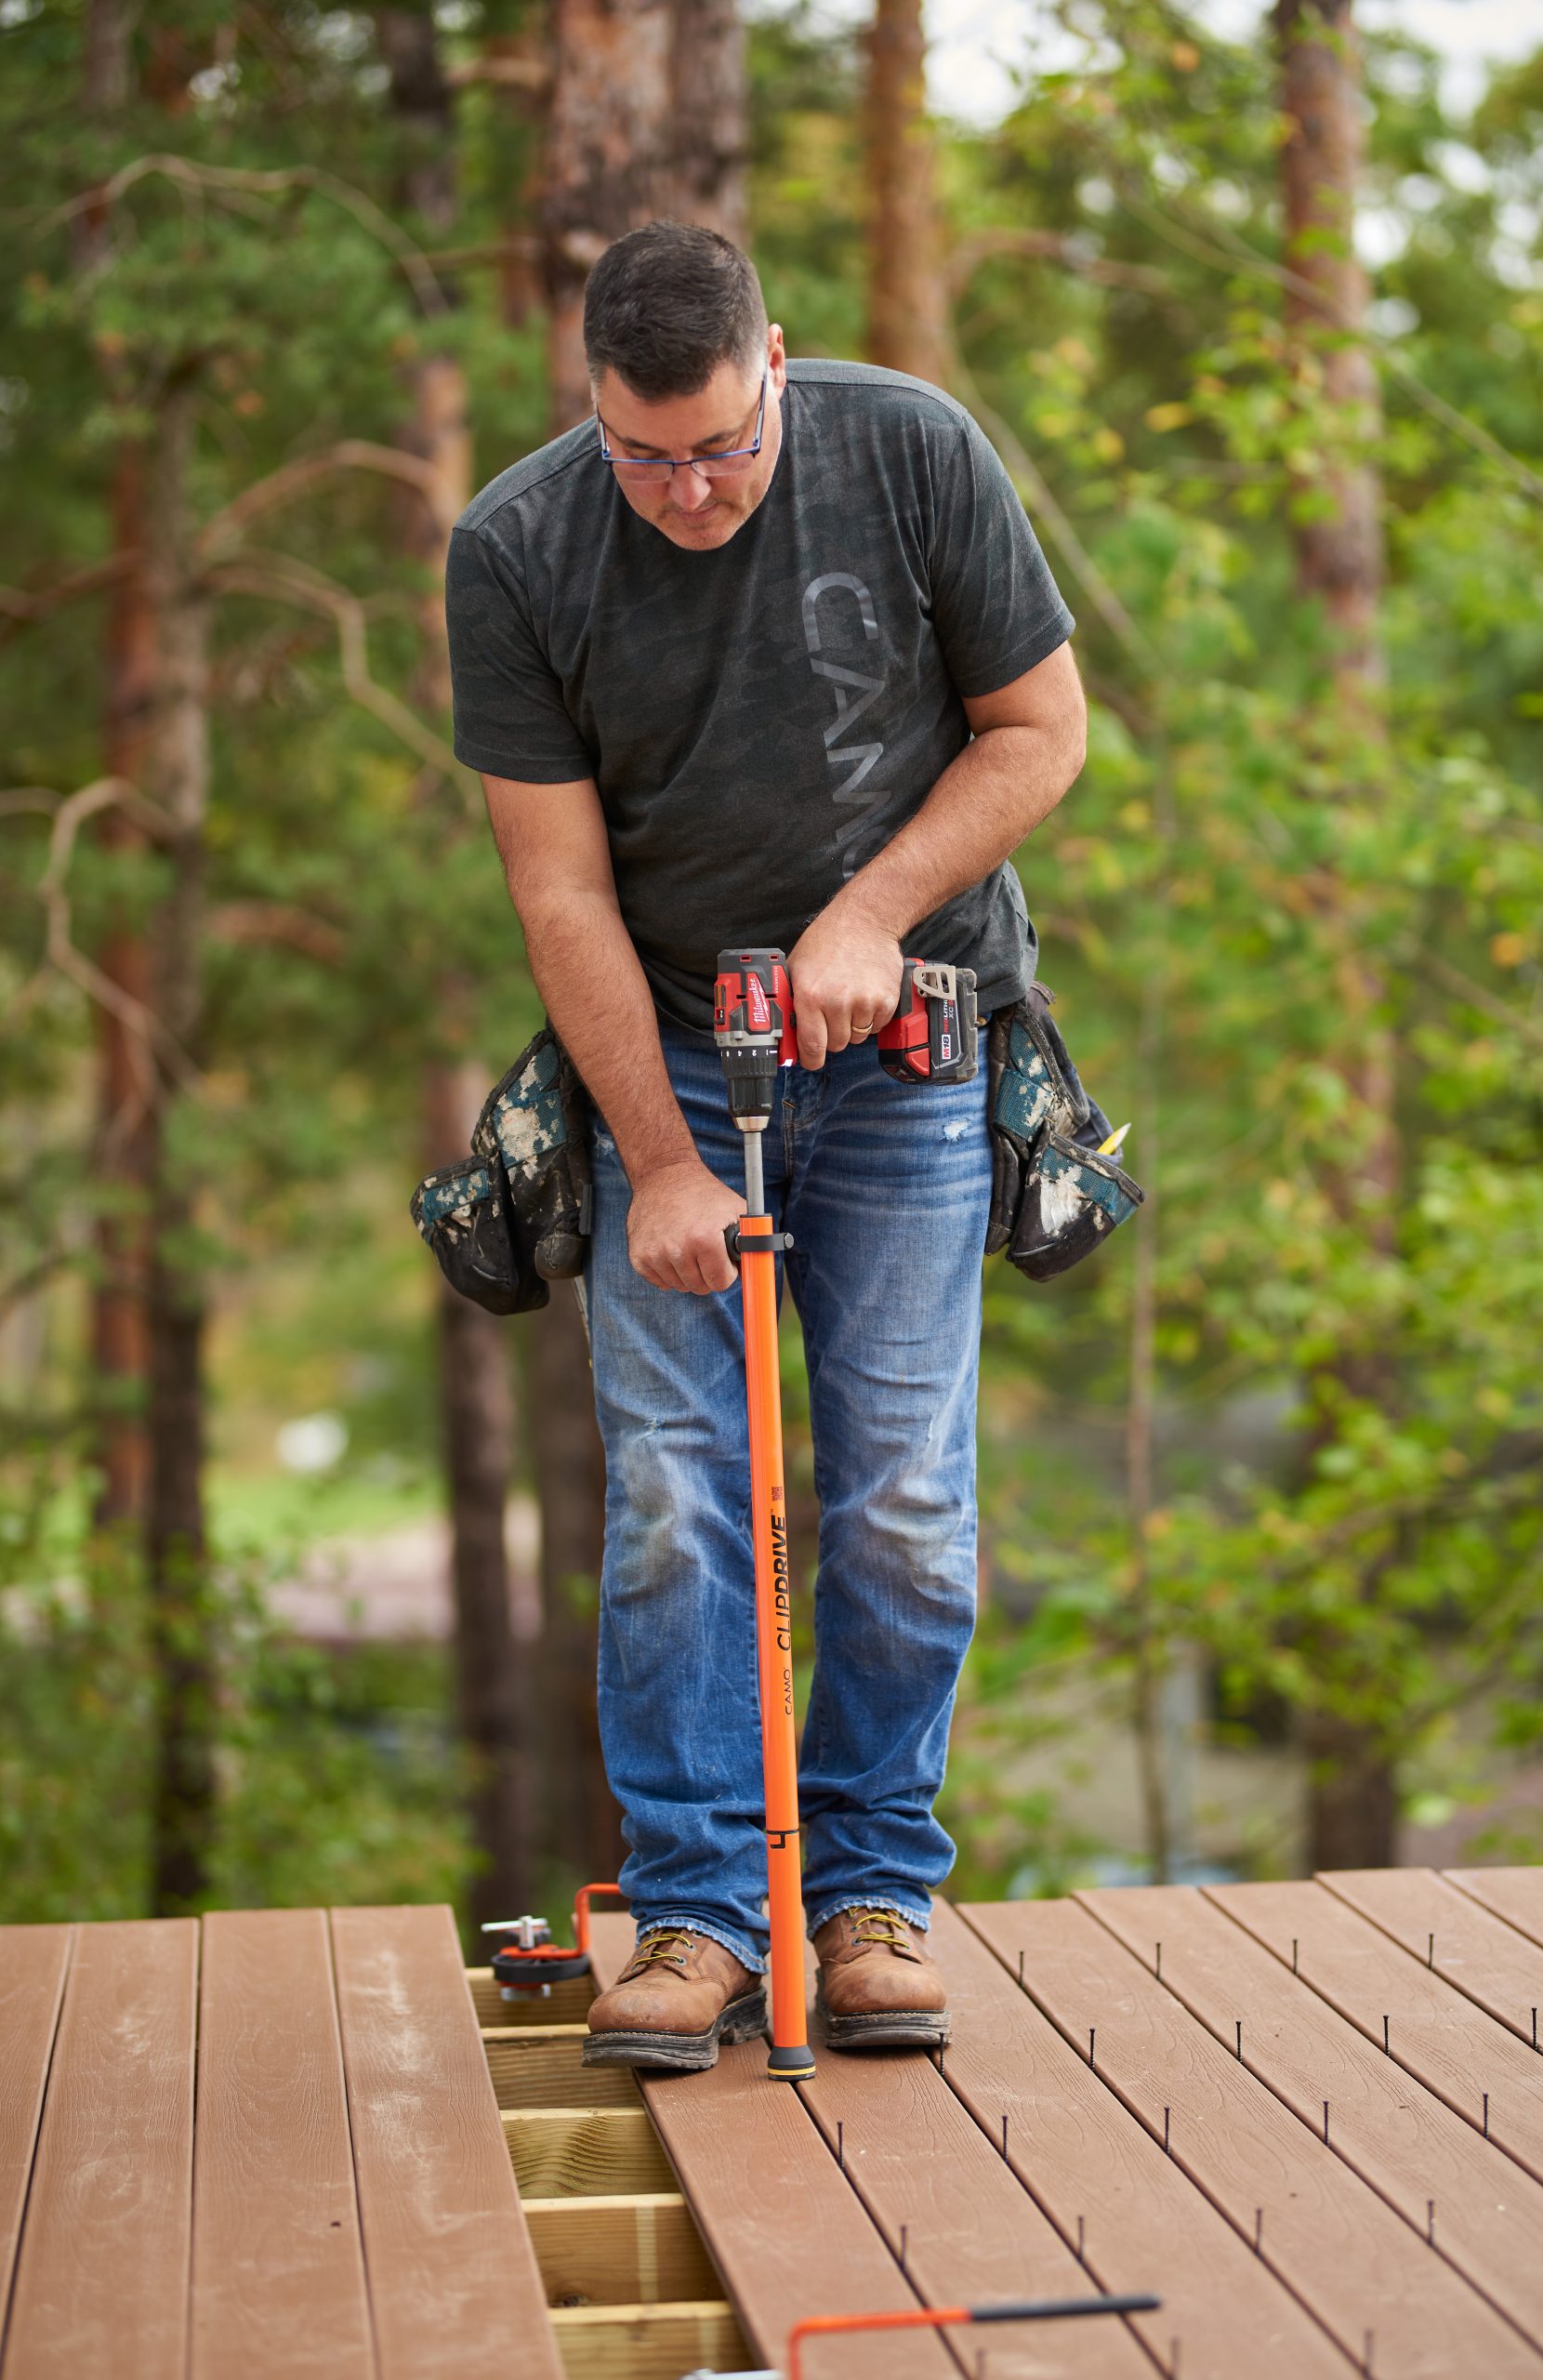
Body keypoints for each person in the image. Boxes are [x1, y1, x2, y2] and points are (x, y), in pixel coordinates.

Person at [445, 218, 1086, 2071]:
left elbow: (1041, 732)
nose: (691, 488)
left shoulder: (910, 451)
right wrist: (653, 1156)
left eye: (723, 442)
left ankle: (877, 1886)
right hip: (663, 1065)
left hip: (910, 1050)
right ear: (592, 404)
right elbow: (556, 886)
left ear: (778, 361)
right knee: (672, 1492)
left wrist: (876, 906)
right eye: (646, 454)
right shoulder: (518, 546)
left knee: (897, 1486)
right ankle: (704, 1914)